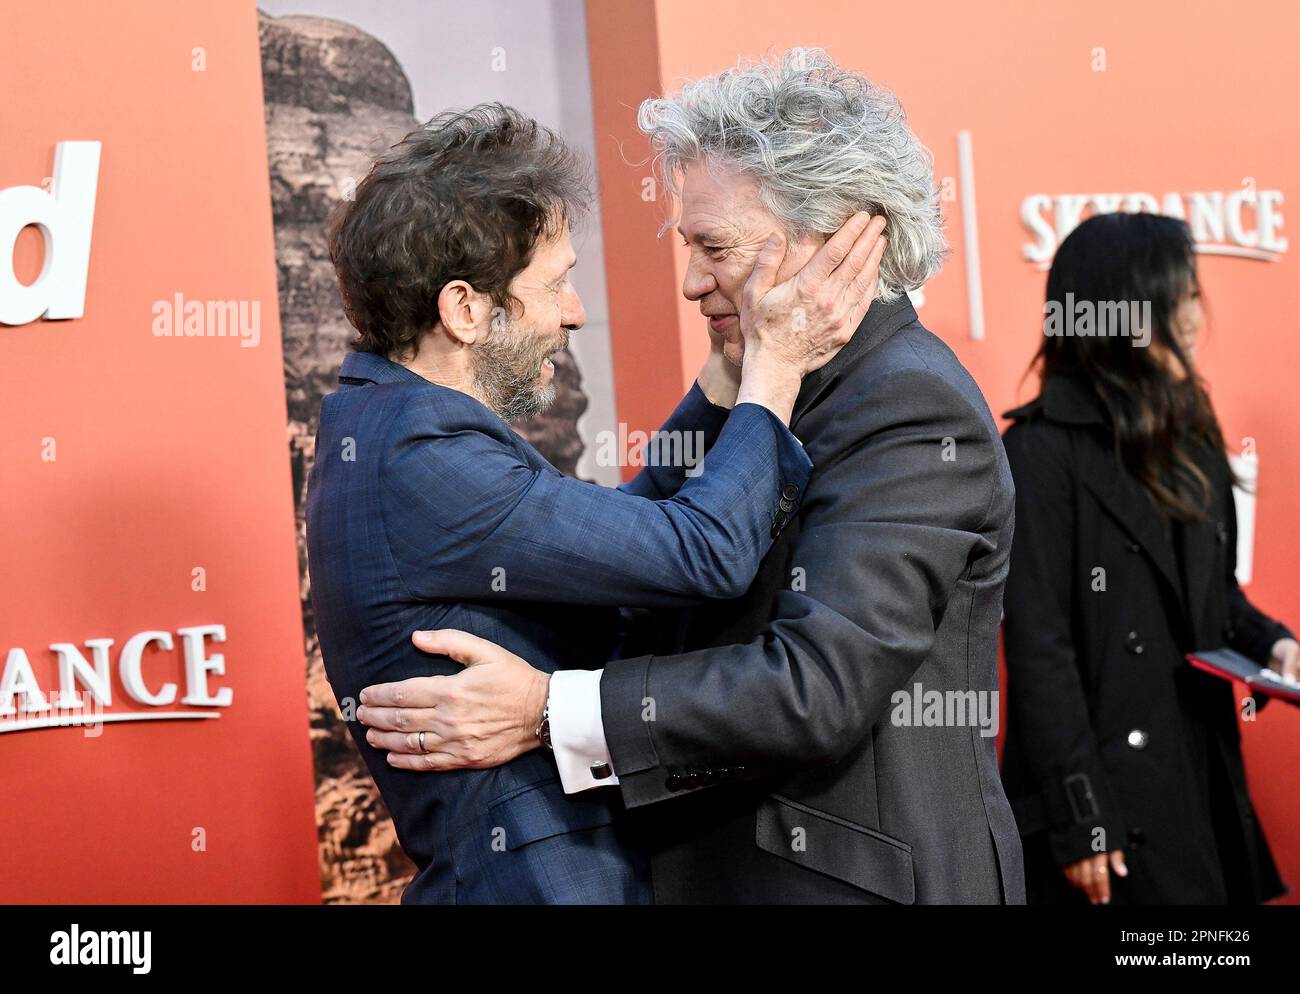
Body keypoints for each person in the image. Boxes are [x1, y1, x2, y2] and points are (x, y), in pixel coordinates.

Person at [358, 49, 1025, 904]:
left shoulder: (909, 407)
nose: (690, 281)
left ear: (829, 241)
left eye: (716, 247)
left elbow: (813, 689)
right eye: (688, 244)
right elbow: (651, 558)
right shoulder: (770, 384)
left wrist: (544, 711)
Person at [306, 102, 885, 904]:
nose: (574, 311)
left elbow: (625, 536)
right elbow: (703, 552)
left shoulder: (392, 428)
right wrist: (775, 369)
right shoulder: (420, 454)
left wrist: (724, 378)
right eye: (556, 283)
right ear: (464, 309)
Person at [999, 211, 1297, 905]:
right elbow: (1042, 652)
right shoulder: (1039, 453)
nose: (1196, 315)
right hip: (1107, 802)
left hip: (1196, 770)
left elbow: (1213, 599)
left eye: (1193, 292)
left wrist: (1277, 647)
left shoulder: (1191, 434)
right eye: (1178, 294)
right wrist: (1081, 819)